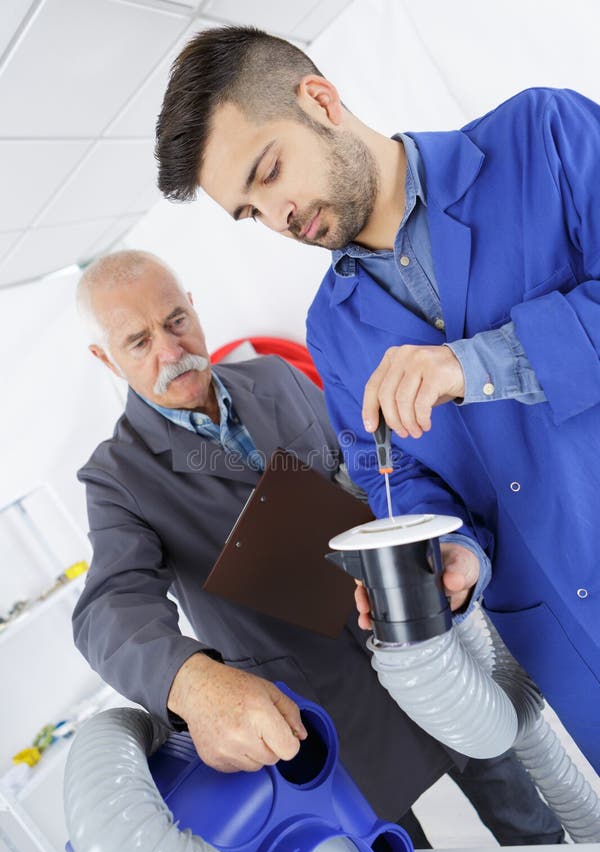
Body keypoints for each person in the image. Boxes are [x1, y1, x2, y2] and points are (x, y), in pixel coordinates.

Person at [154, 26, 600, 775]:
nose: (278, 217)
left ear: (320, 101)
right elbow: (402, 481)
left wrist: (477, 362)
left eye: (270, 173)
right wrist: (452, 554)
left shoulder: (542, 139)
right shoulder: (332, 331)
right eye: (249, 212)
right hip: (571, 643)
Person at [73, 249, 563, 847]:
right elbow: (108, 608)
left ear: (194, 307)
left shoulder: (276, 379)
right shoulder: (117, 477)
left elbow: (366, 473)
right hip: (323, 701)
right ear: (104, 359)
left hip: (418, 647)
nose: (172, 352)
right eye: (138, 342)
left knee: (521, 810)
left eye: (176, 321)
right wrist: (190, 683)